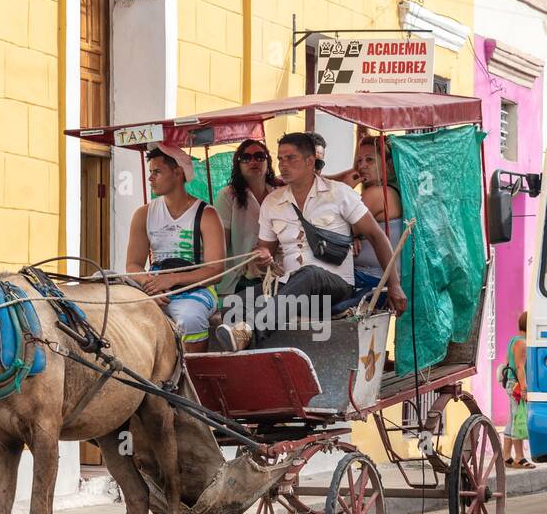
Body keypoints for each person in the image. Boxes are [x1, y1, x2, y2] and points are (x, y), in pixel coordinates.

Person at [214, 132, 407, 350]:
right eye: (280, 159)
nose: (283, 165)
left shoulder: (339, 194)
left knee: (310, 273)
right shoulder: (272, 202)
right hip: (289, 284)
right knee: (234, 303)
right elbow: (264, 252)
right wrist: (262, 258)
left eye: (291, 158)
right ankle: (255, 365)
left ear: (309, 161)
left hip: (335, 284)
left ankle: (249, 329)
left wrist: (394, 285)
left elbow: (376, 236)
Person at [125, 144, 226, 352]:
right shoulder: (143, 214)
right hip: (154, 287)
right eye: (150, 172)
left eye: (157, 172)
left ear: (178, 173)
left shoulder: (207, 214)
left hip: (196, 290)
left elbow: (216, 272)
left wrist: (173, 279)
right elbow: (133, 264)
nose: (150, 178)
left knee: (190, 317)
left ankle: (191, 378)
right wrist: (150, 284)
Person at [213, 138, 279, 298]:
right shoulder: (228, 195)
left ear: (267, 162)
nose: (253, 161)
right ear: (239, 164)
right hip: (236, 280)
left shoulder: (279, 194)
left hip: (277, 276)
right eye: (246, 158)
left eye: (259, 156)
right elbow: (221, 244)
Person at [350, 136, 406, 293]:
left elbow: (337, 231)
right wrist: (353, 236)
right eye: (359, 161)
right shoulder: (393, 191)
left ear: (388, 166)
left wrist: (344, 188)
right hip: (375, 279)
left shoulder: (377, 194)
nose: (362, 166)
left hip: (371, 281)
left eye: (370, 160)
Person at [501, 311, 534, 469]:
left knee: (512, 419)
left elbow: (508, 362)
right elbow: (520, 367)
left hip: (511, 383)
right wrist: (524, 389)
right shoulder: (522, 343)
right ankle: (519, 458)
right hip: (516, 385)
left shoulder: (513, 340)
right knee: (517, 420)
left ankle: (506, 456)